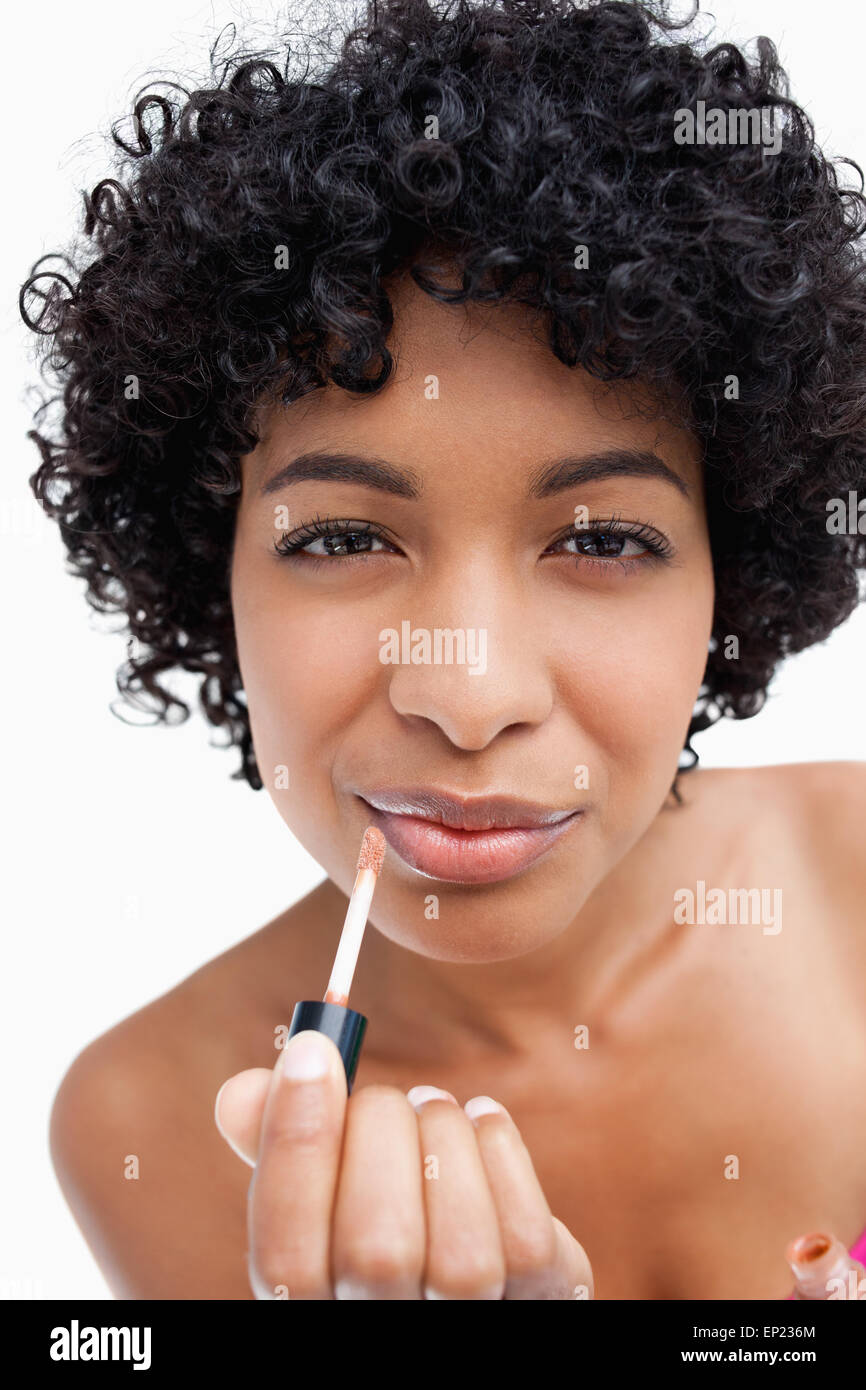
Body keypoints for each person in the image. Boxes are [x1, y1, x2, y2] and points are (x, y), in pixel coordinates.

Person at [22, 0, 866, 1299]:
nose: (468, 700)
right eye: (342, 536)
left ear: (733, 568)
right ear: (210, 567)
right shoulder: (144, 1121)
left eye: (600, 541)